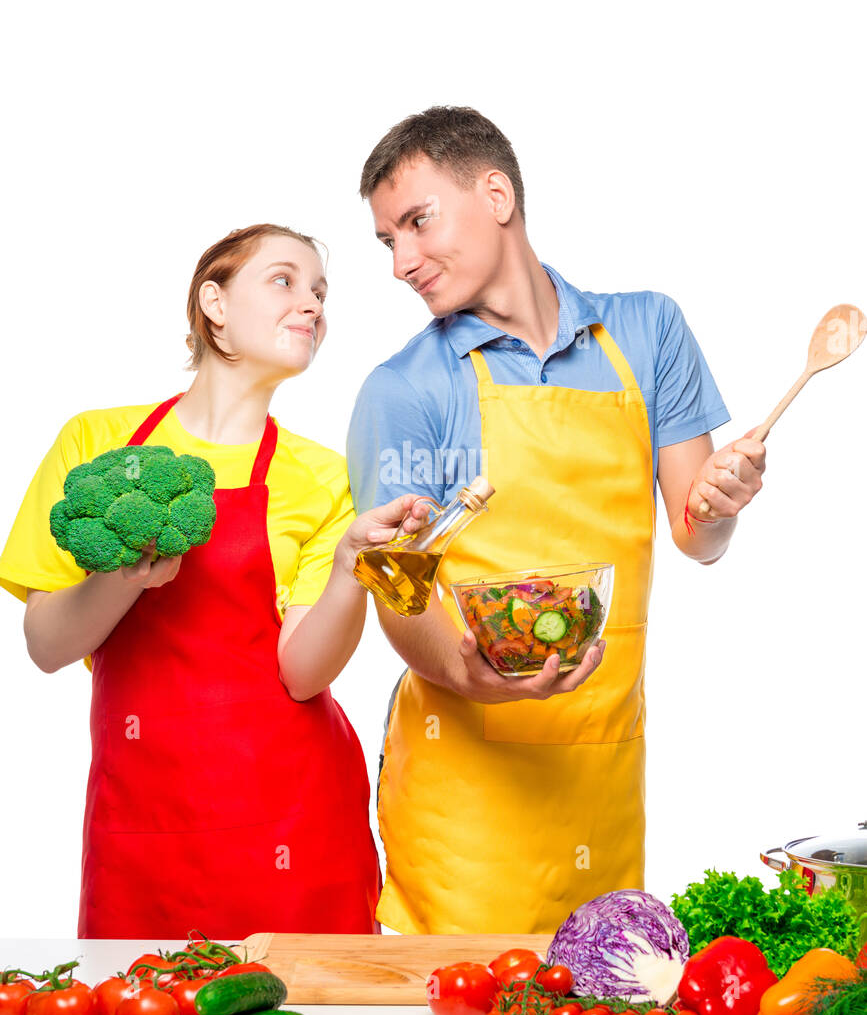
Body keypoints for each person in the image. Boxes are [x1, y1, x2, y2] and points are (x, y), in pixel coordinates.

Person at [347, 106, 766, 935]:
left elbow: (697, 536)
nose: (400, 261)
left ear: (495, 193)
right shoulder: (402, 389)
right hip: (462, 799)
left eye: (415, 222)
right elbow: (395, 592)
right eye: (386, 240)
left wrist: (723, 503)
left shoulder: (646, 331)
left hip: (601, 776)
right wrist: (478, 675)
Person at [0, 223, 429, 939]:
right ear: (214, 303)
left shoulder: (319, 476)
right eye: (285, 281)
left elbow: (302, 672)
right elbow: (45, 645)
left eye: (321, 293)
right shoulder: (99, 444)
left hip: (293, 812)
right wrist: (126, 576)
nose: (313, 305)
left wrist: (353, 570)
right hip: (143, 817)